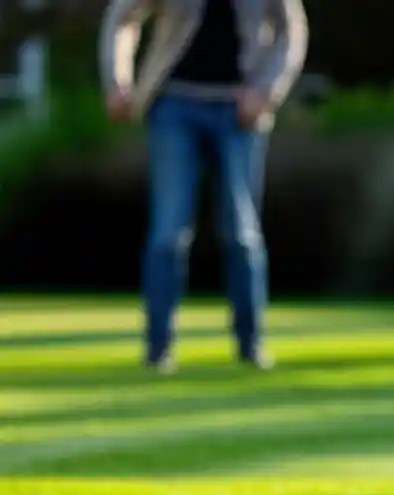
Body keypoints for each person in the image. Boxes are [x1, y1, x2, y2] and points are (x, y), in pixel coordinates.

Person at [99, 0, 308, 373]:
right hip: (174, 105)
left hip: (239, 110)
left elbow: (292, 30)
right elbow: (123, 16)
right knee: (169, 231)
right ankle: (157, 348)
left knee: (241, 230)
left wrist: (266, 90)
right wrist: (118, 80)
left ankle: (250, 344)